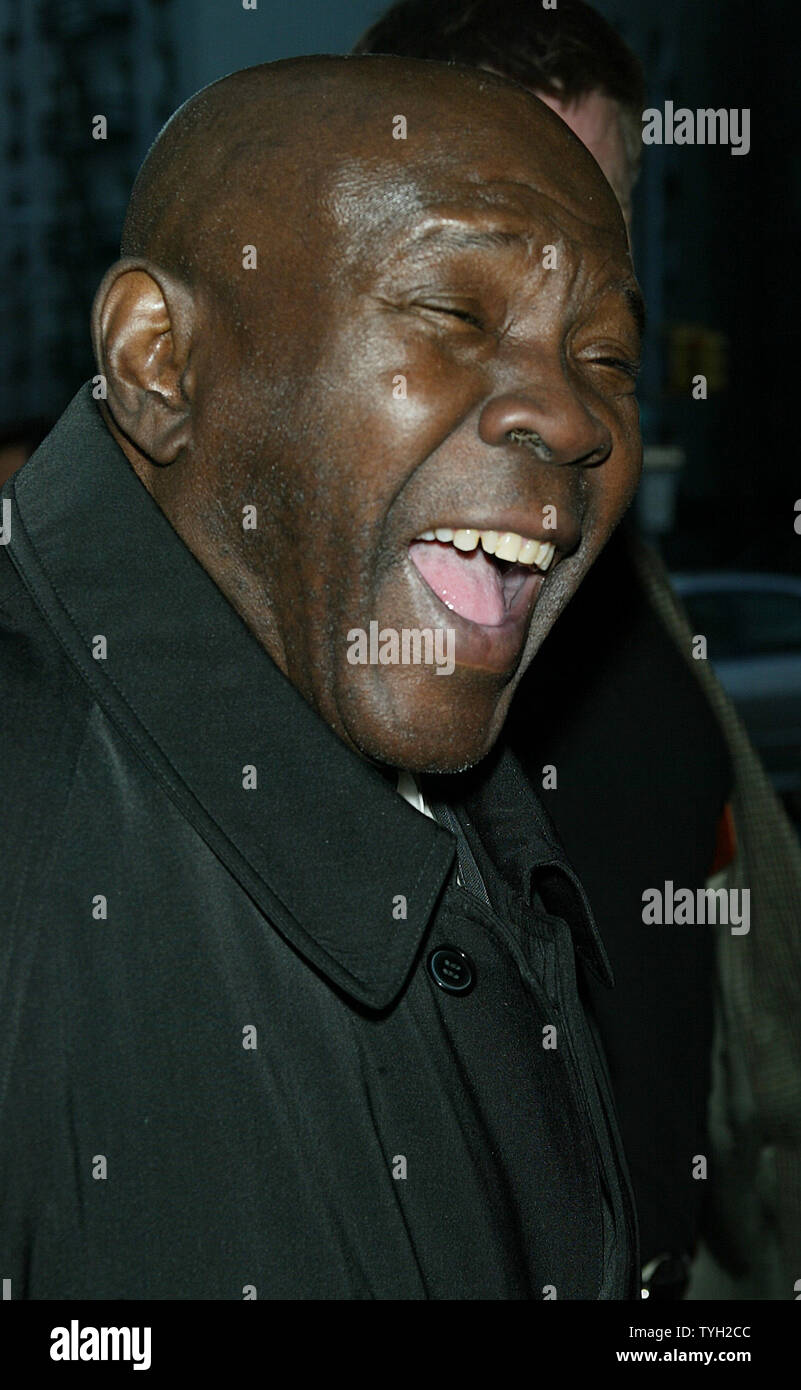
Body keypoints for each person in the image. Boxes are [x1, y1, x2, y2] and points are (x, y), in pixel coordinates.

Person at [0, 55, 646, 1299]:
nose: (575, 420)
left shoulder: (463, 803)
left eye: (608, 357)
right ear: (156, 362)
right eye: (455, 312)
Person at [355, 0, 801, 1298]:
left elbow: (754, 1011)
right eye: (483, 260)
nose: (548, 377)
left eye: (593, 243)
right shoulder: (271, 648)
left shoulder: (623, 595)